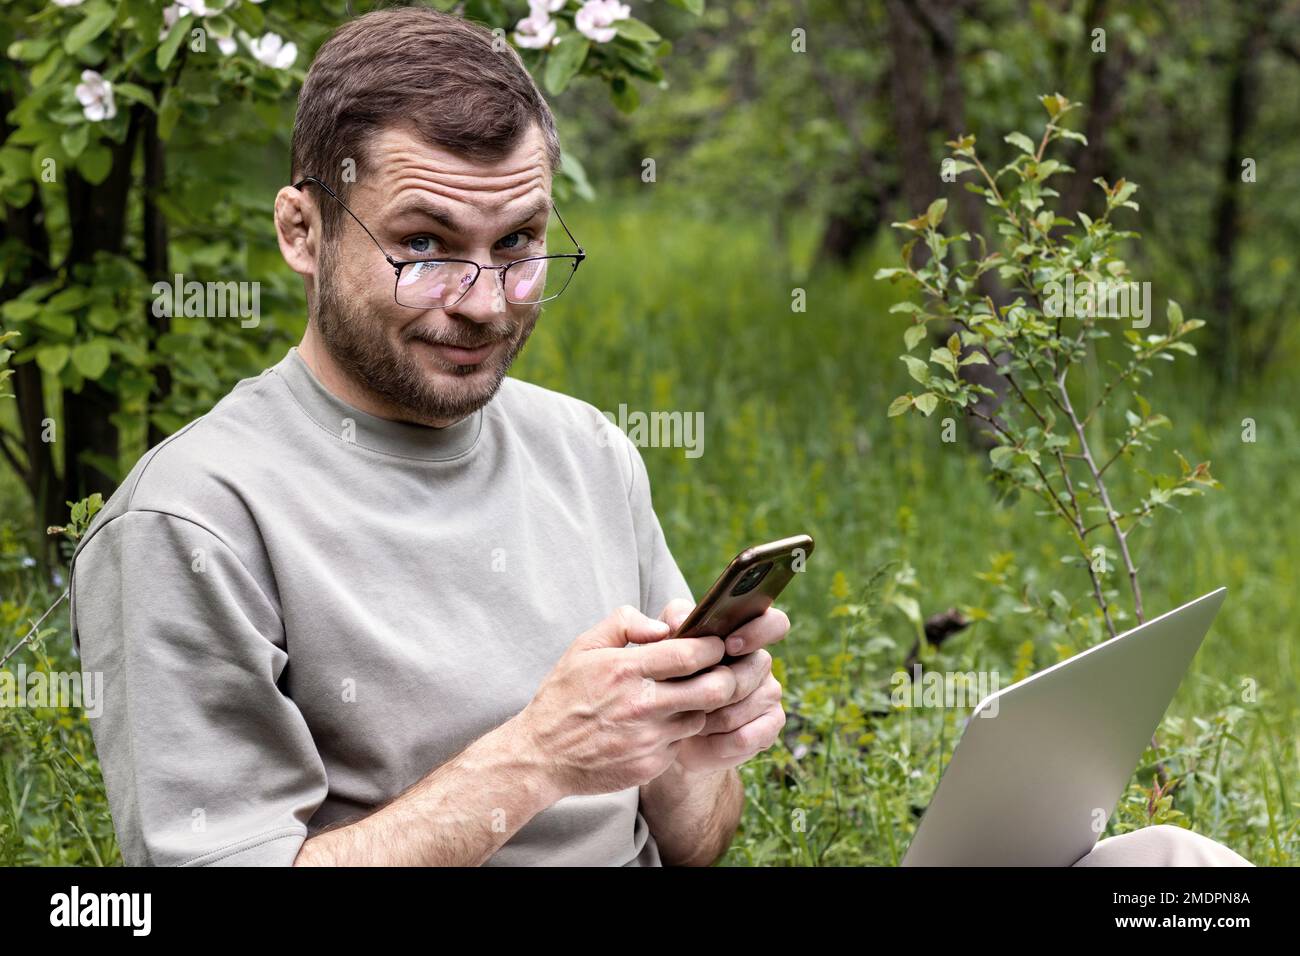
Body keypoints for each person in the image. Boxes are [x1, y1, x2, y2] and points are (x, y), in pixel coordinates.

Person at [67, 7, 1251, 869]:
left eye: (522, 243)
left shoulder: (587, 450)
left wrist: (694, 742)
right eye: (424, 242)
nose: (484, 299)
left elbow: (696, 843)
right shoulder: (196, 519)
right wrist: (536, 754)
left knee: (1174, 872)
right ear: (300, 227)